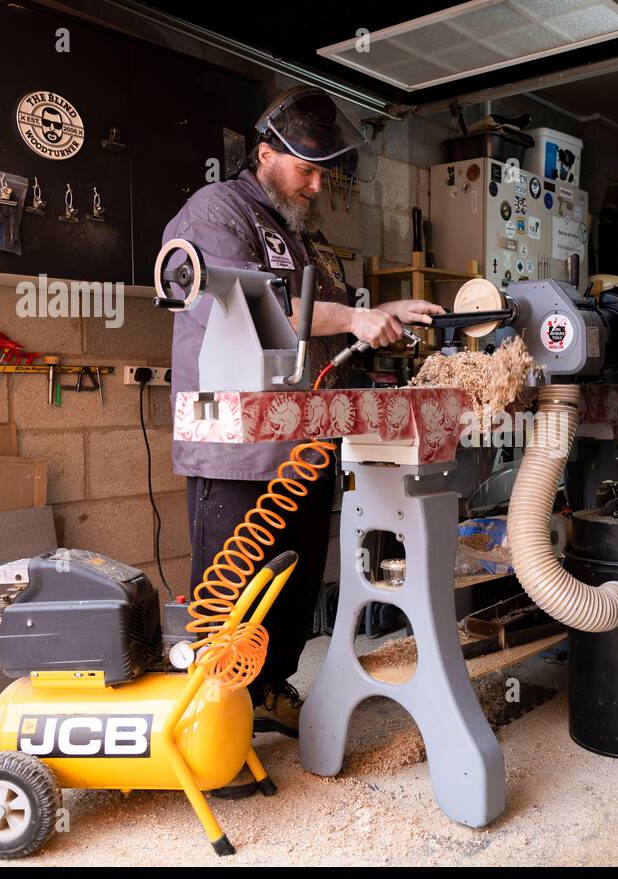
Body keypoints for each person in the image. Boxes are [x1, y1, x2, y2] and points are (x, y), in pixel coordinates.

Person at [162, 87, 442, 791]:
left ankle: (268, 688)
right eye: (306, 171)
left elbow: (317, 312)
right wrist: (354, 318)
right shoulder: (216, 214)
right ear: (263, 155)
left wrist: (373, 313)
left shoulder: (289, 226)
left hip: (300, 438)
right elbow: (251, 310)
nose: (317, 185)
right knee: (231, 594)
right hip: (235, 443)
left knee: (290, 584)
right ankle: (208, 738)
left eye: (323, 173)